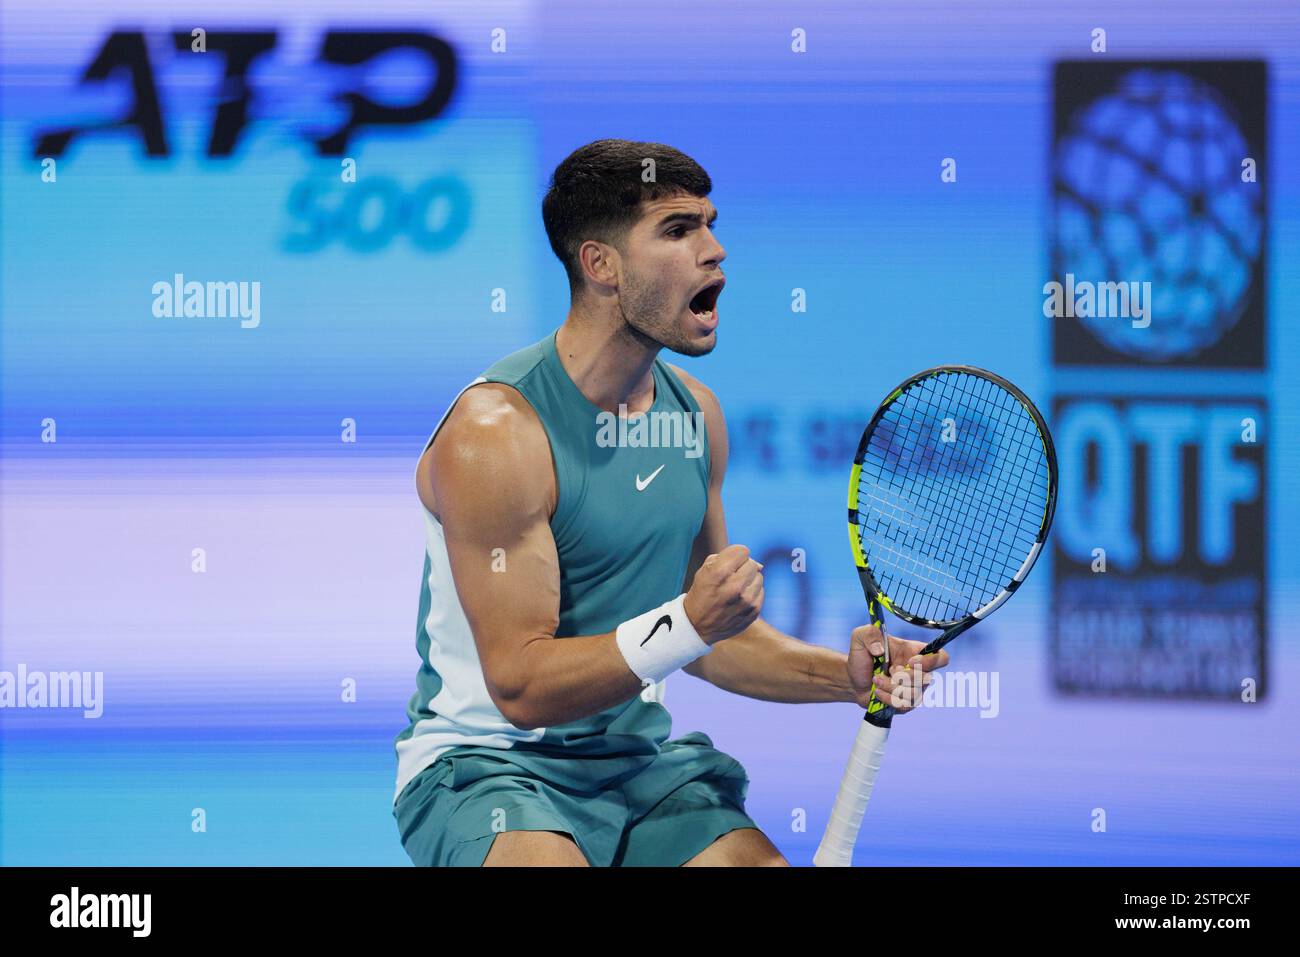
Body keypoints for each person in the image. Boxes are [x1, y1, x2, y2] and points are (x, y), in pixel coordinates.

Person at [392, 139, 950, 866]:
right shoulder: (497, 435)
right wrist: (687, 621)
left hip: (636, 769)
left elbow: (712, 637)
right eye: (679, 230)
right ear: (601, 265)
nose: (715, 251)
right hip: (490, 763)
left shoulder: (696, 418)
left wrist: (840, 678)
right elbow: (521, 684)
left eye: (711, 225)